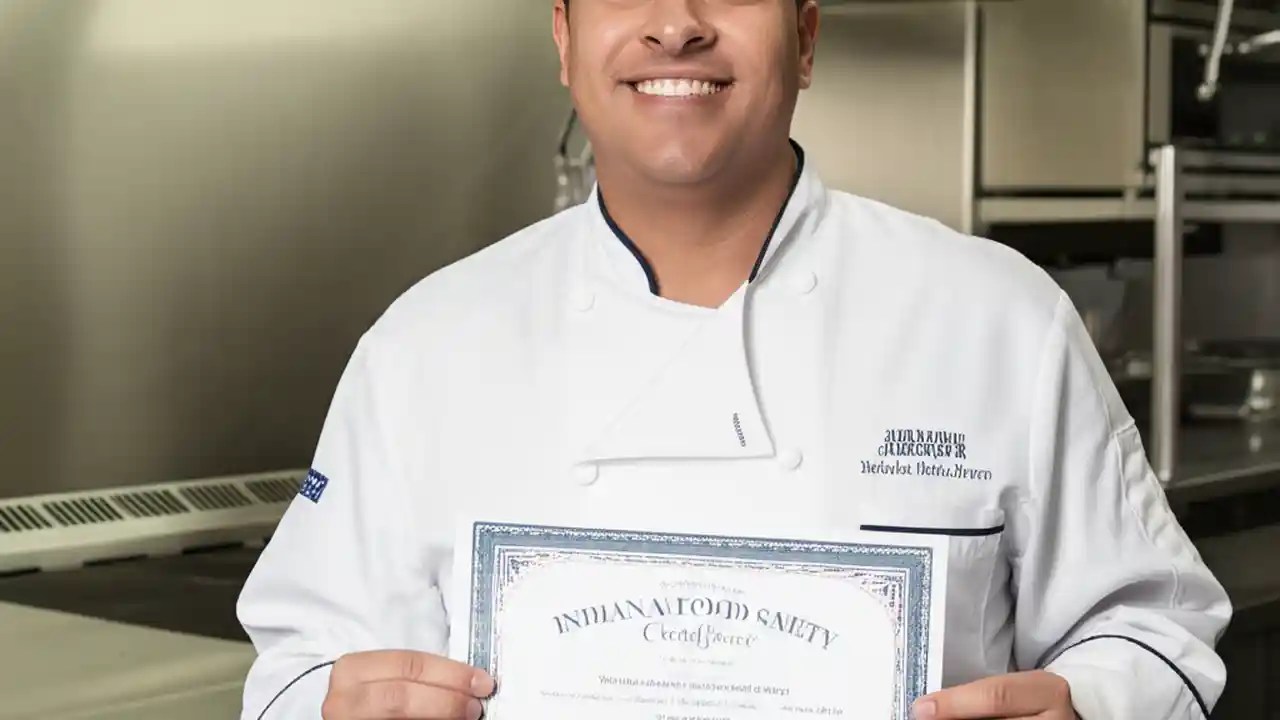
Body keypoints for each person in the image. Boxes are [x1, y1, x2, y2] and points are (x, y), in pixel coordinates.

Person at [237, 1, 1231, 718]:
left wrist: (1087, 707)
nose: (675, 25)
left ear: (804, 37)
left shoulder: (998, 317)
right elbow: (294, 668)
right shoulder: (424, 344)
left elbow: (1154, 630)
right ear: (562, 36)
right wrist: (331, 709)